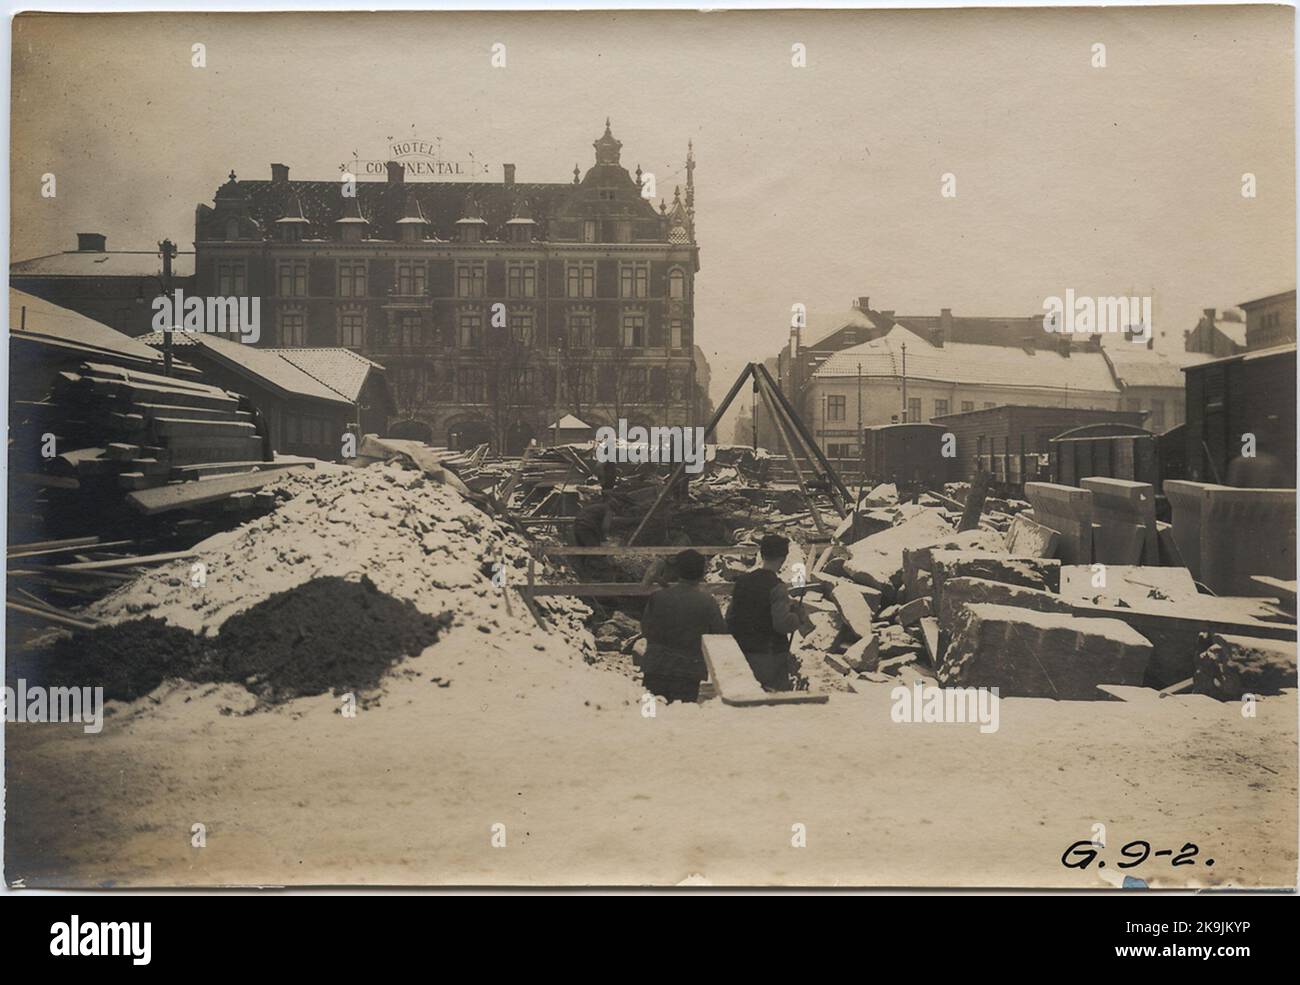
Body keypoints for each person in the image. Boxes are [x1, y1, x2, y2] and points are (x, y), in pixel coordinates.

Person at [638, 549, 726, 702]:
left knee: (650, 715)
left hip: (656, 667)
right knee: (681, 718)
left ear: (677, 571)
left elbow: (646, 629)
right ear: (701, 574)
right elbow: (719, 634)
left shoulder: (658, 597)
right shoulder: (707, 602)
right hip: (687, 671)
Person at [726, 533, 803, 690]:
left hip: (742, 651)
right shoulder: (777, 587)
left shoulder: (742, 581)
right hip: (769, 656)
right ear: (783, 558)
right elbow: (781, 624)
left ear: (761, 554)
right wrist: (797, 616)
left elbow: (730, 616)